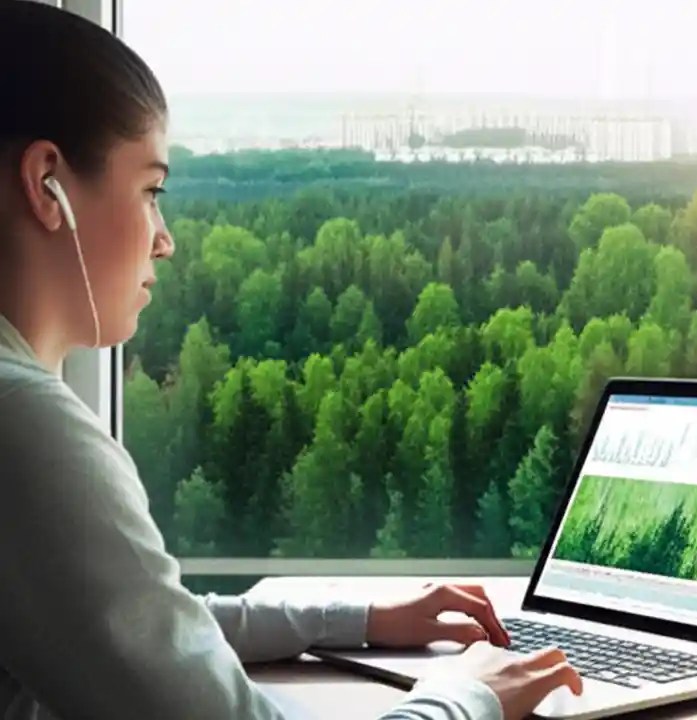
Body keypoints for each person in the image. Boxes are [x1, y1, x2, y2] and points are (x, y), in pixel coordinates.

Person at [0, 3, 582, 718]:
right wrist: (465, 699)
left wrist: (357, 620)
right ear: (46, 184)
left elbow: (140, 626)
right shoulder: (25, 429)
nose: (165, 239)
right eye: (151, 191)